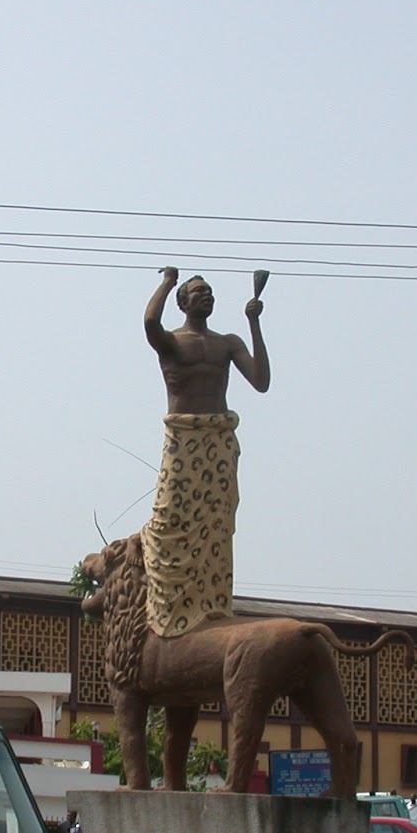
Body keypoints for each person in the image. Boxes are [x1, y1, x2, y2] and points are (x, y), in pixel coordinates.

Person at [139, 266, 271, 638]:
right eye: (198, 292)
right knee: (171, 519)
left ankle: (210, 607)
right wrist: (166, 281)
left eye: (210, 291)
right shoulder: (171, 341)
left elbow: (260, 381)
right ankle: (170, 610)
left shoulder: (227, 343)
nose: (206, 295)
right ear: (183, 302)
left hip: (217, 442)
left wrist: (254, 324)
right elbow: (149, 321)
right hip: (183, 439)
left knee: (215, 525)